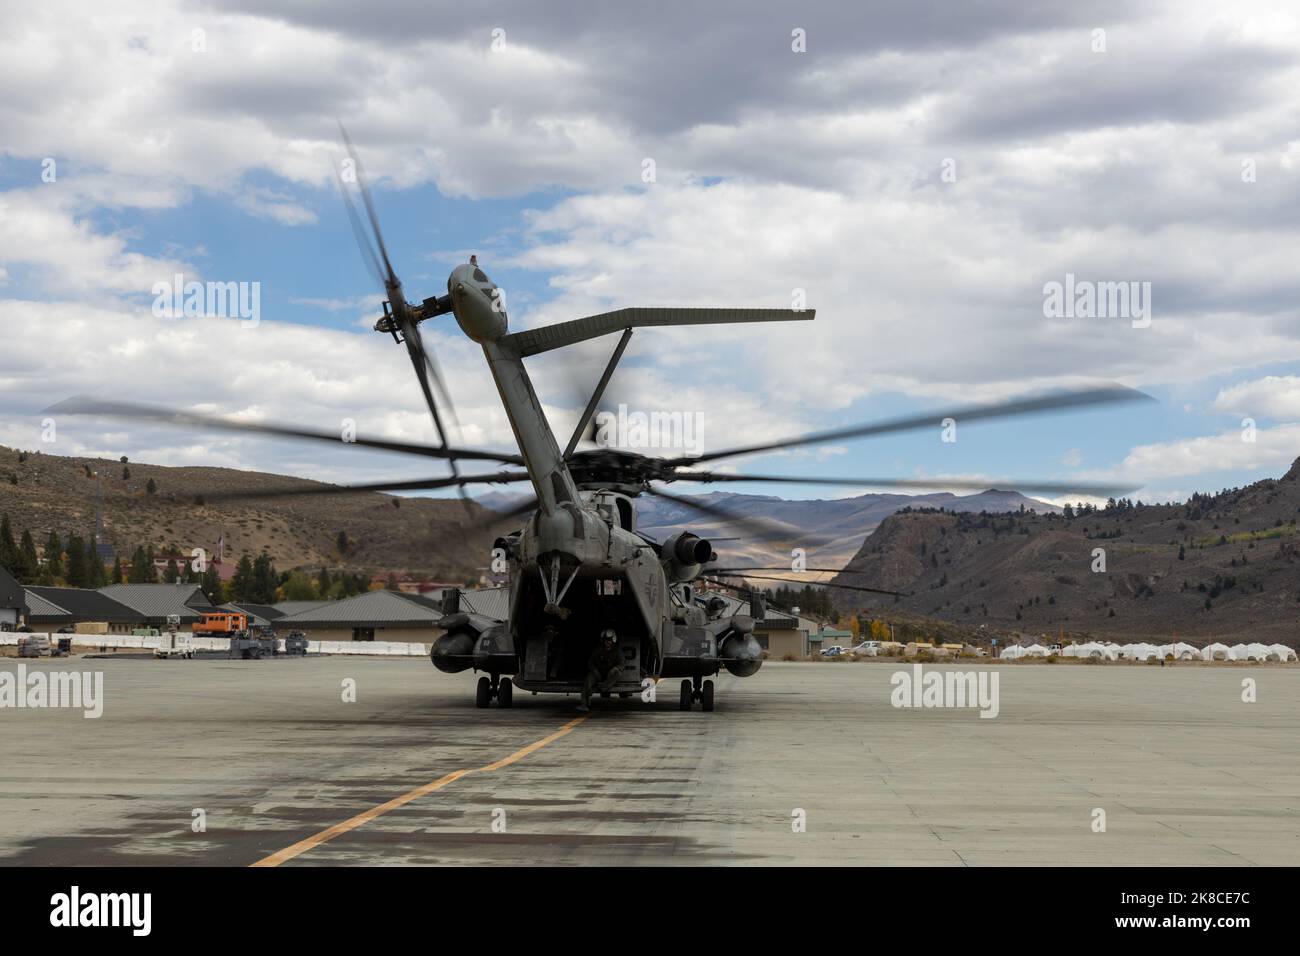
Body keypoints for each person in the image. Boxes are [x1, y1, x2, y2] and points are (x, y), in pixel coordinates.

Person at [578, 629, 622, 712]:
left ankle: (600, 689)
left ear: (613, 640)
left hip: (609, 675)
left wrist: (615, 668)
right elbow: (590, 662)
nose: (607, 642)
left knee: (617, 672)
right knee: (588, 680)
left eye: (609, 640)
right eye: (605, 640)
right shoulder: (598, 650)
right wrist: (595, 671)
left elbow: (622, 664)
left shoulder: (617, 651)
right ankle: (584, 704)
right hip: (598, 673)